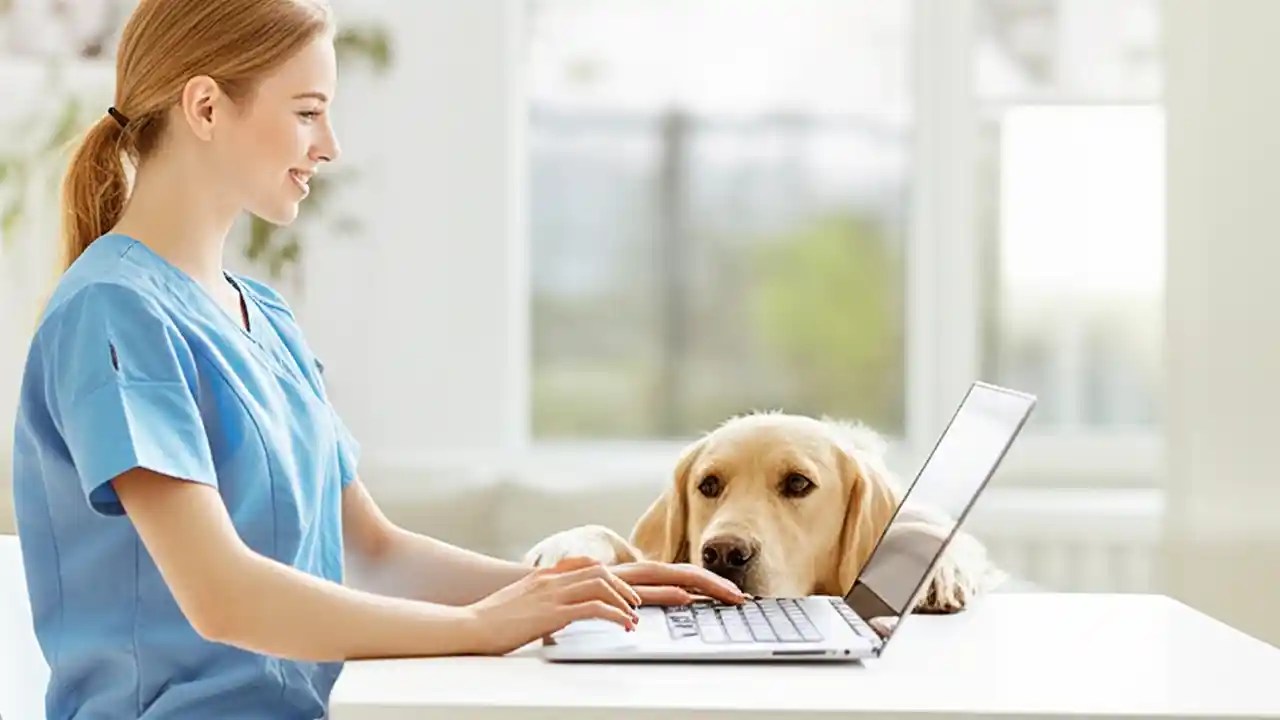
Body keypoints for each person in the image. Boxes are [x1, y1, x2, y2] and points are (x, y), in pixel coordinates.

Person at [9, 0, 744, 717]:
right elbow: (221, 596)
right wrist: (480, 629)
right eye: (306, 111)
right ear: (204, 108)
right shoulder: (113, 311)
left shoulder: (262, 315)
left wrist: (567, 591)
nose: (328, 144)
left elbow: (373, 552)